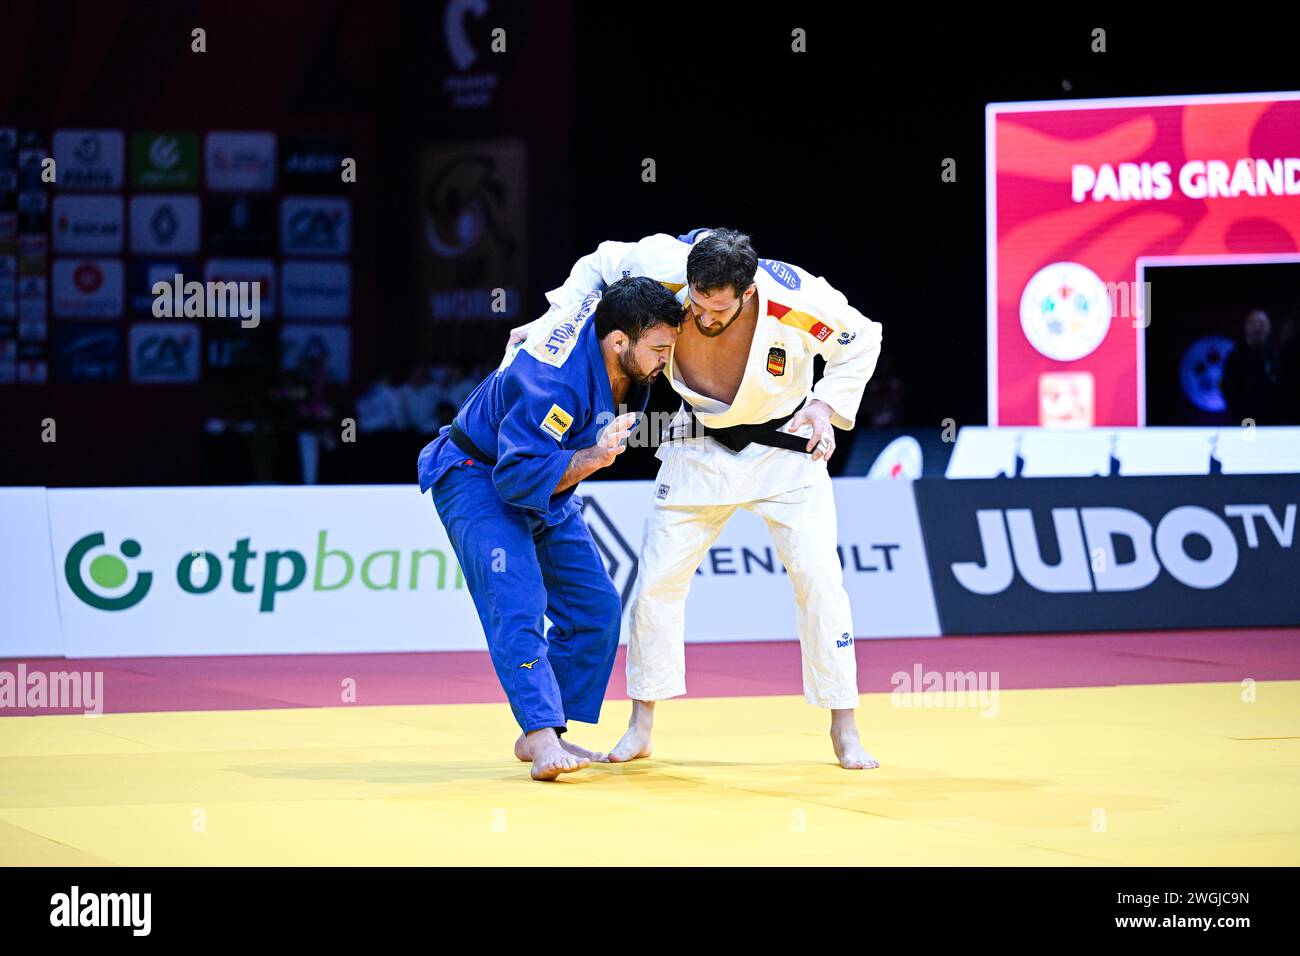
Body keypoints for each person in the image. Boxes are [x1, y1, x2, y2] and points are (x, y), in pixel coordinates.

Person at [513, 228, 884, 769]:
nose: (705, 320)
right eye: (699, 305)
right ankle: (641, 725)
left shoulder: (799, 299)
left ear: (748, 293)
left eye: (719, 311)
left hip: (783, 449)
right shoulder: (665, 264)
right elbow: (600, 262)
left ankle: (844, 726)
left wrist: (825, 407)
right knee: (657, 584)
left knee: (820, 582)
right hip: (697, 442)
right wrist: (549, 325)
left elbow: (865, 339)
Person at [418, 277, 684, 780]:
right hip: (478, 476)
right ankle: (541, 737)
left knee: (596, 608)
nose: (665, 361)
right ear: (619, 340)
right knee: (517, 604)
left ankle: (544, 730)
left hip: (547, 475)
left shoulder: (627, 343)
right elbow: (516, 479)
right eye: (659, 350)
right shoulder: (554, 382)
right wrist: (593, 458)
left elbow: (606, 258)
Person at [1220, 309, 1280, 425]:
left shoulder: (1275, 357)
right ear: (1246, 327)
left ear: (1269, 328)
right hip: (1244, 421)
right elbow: (1230, 391)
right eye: (1253, 324)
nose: (1258, 328)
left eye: (1262, 324)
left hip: (1273, 422)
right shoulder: (1235, 358)